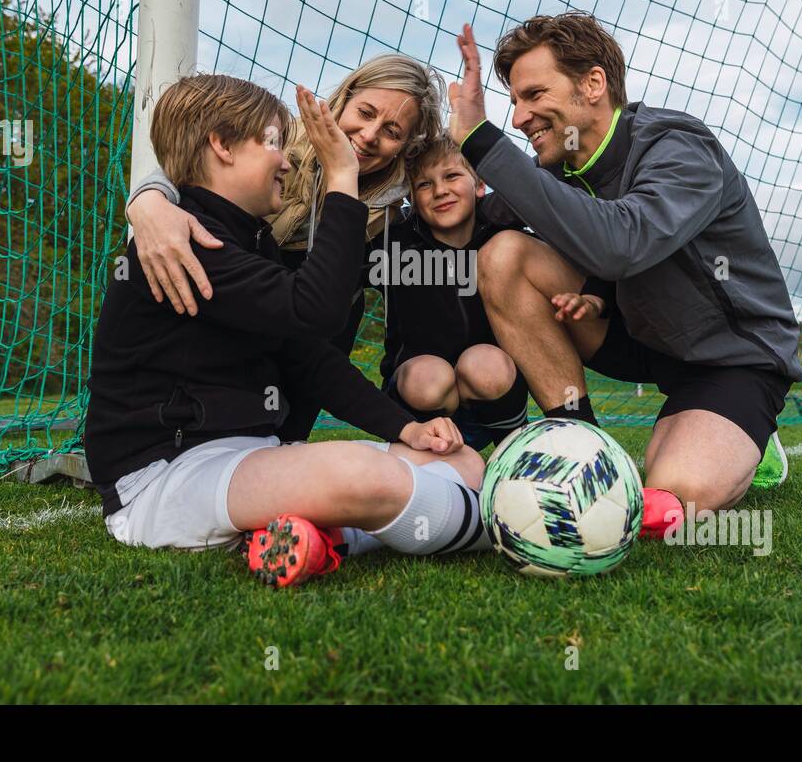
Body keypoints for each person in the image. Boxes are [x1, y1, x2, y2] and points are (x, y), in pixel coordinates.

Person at [84, 74, 489, 589]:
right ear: (221, 146)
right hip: (166, 477)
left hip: (251, 453)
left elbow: (310, 359)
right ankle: (517, 523)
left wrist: (406, 428)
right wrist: (343, 174)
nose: (287, 158)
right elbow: (314, 312)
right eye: (273, 143)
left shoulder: (249, 239)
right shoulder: (187, 239)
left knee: (461, 460)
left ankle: (325, 538)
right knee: (362, 476)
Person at [446, 11, 802, 523]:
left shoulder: (679, 146)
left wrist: (482, 141)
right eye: (514, 102)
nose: (520, 118)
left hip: (732, 357)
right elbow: (472, 220)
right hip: (642, 338)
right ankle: (581, 448)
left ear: (593, 83)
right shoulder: (560, 169)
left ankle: (752, 434)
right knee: (502, 254)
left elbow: (621, 244)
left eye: (534, 95)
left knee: (665, 503)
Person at [124, 54, 447, 440]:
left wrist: (407, 425)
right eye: (365, 112)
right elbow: (194, 156)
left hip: (307, 313)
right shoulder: (277, 140)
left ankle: (289, 434)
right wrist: (148, 201)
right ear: (345, 98)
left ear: (406, 147)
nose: (369, 134)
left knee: (340, 305)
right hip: (241, 286)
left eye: (393, 131)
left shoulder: (393, 209)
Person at [374, 138, 530, 449]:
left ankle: (513, 449)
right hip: (420, 395)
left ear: (481, 185)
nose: (440, 190)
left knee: (484, 363)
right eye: (423, 184)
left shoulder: (504, 238)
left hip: (492, 388)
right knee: (428, 377)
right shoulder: (394, 244)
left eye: (452, 176)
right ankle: (428, 450)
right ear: (412, 199)